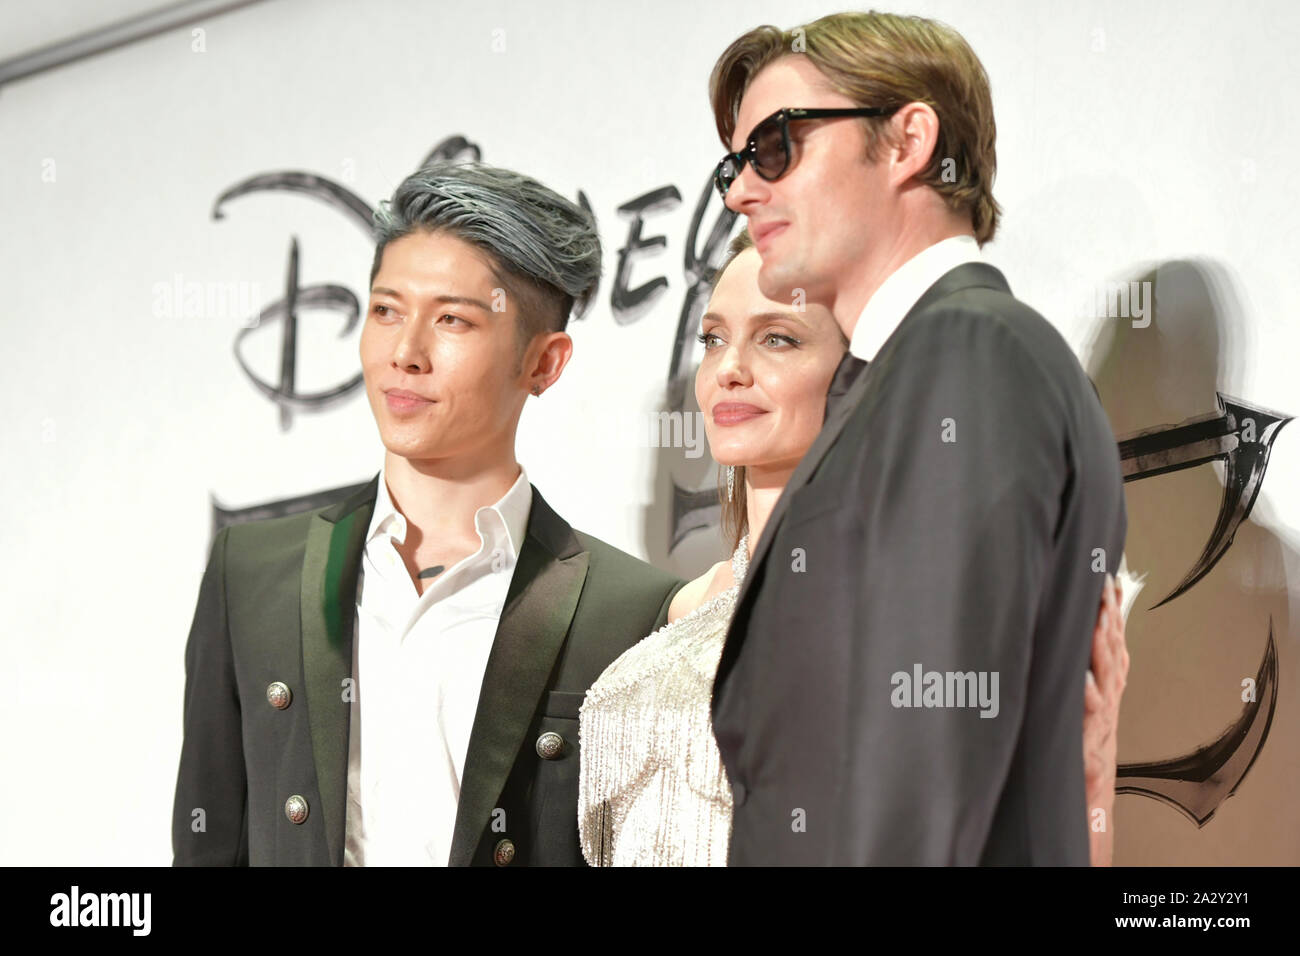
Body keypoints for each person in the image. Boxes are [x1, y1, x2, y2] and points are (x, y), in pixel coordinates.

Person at [171, 161, 683, 867]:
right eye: (385, 310)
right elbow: (208, 840)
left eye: (452, 320)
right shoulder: (253, 572)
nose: (404, 354)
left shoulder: (627, 610)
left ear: (544, 363)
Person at [706, 12, 1129, 865]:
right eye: (736, 163)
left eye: (777, 148)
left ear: (907, 141)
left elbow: (923, 761)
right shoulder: (905, 377)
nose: (740, 192)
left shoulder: (966, 352)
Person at [578, 229, 1132, 866]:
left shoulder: (932, 622)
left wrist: (1091, 769)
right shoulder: (666, 613)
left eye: (777, 338)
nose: (729, 369)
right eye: (713, 339)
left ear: (857, 375)